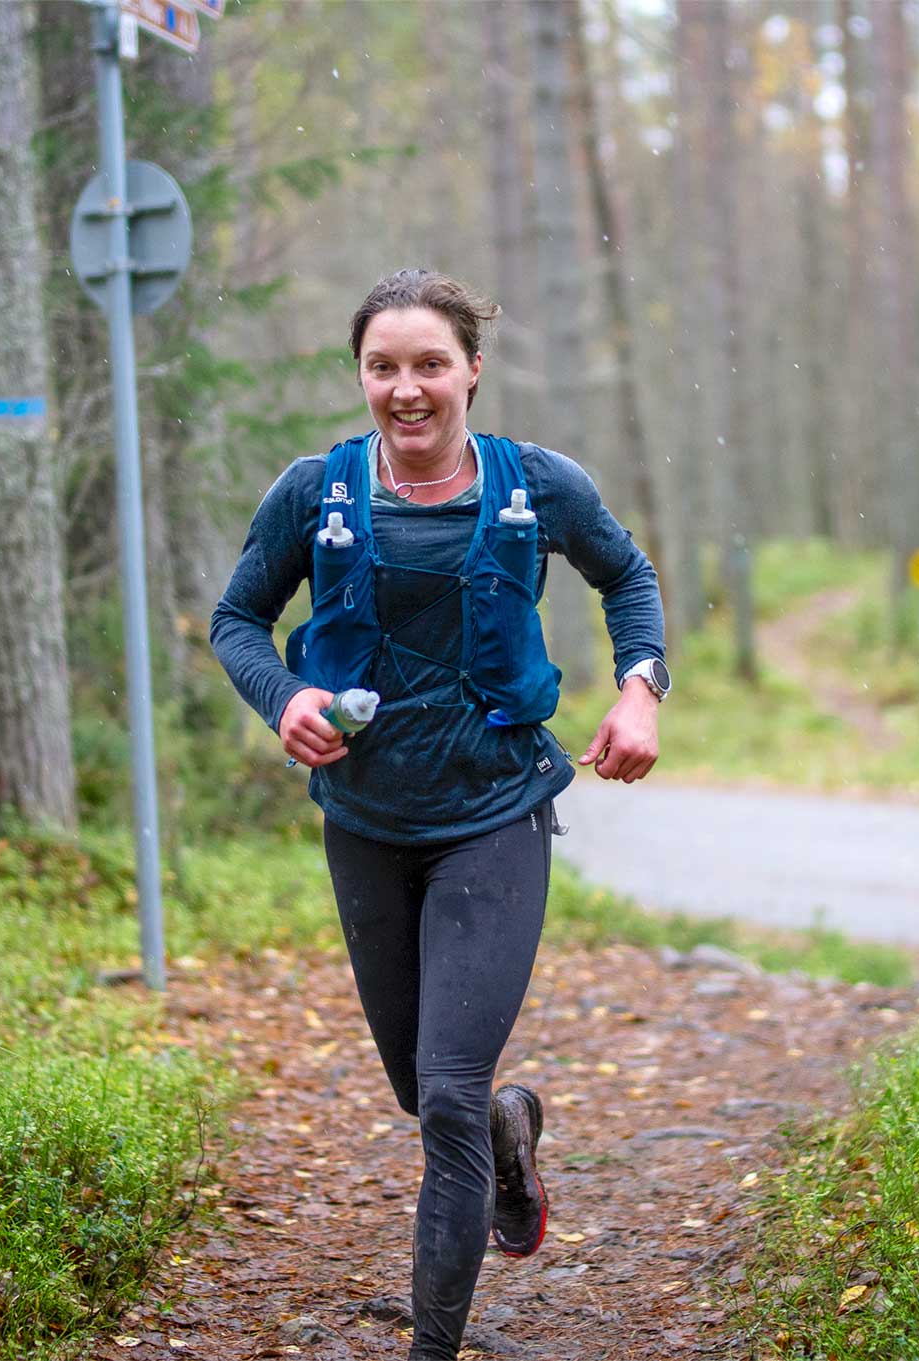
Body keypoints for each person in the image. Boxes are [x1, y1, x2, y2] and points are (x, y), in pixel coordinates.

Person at [209, 269, 670, 1360]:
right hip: (365, 819)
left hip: (494, 814)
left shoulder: (536, 486)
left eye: (428, 363)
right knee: (425, 1091)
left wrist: (641, 687)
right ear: (359, 375)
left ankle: (433, 1344)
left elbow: (629, 578)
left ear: (470, 368)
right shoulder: (313, 493)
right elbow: (237, 620)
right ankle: (510, 1137)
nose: (405, 388)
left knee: (448, 1095)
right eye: (383, 366)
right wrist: (286, 697)